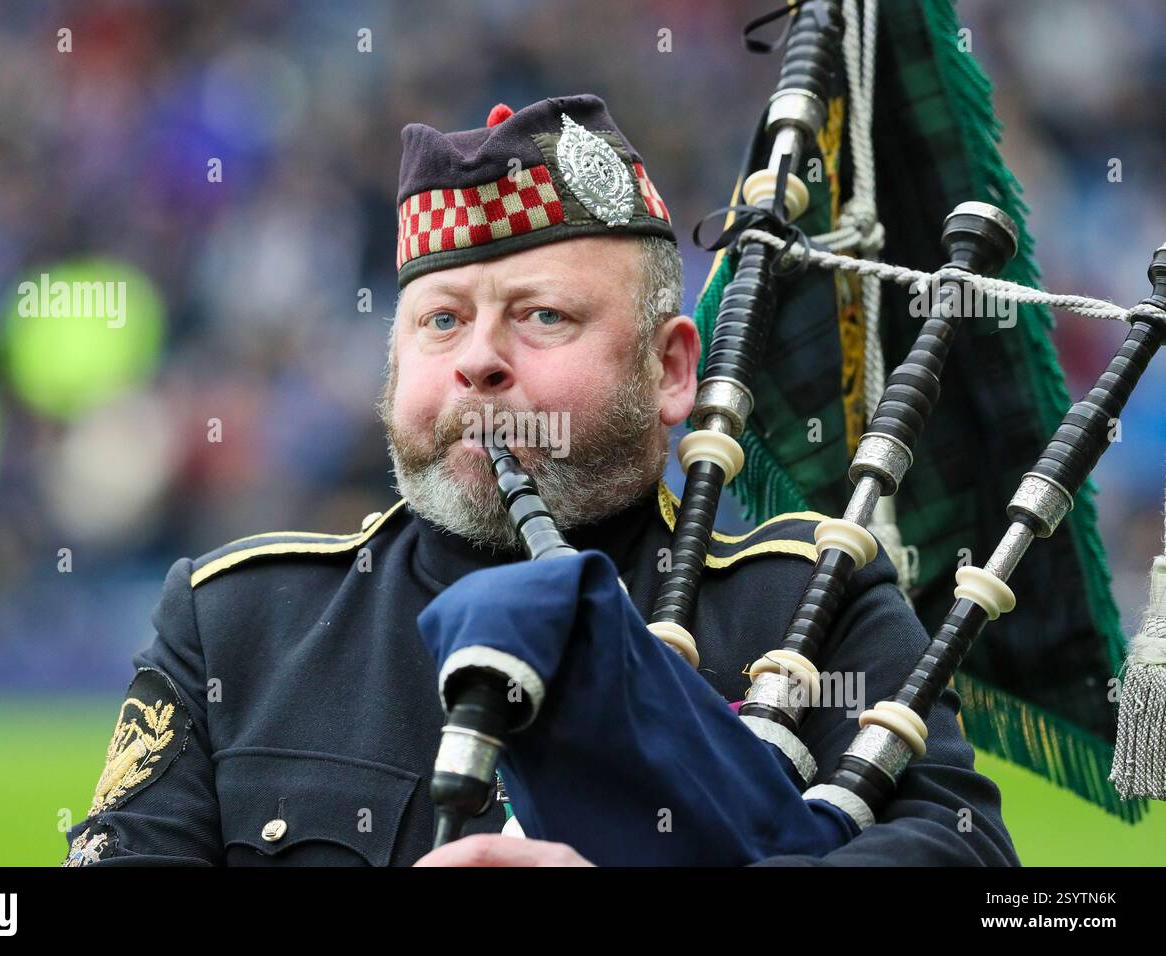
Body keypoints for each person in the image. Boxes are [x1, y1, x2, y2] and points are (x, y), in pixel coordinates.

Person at [62, 94, 1020, 867]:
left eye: (544, 317)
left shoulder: (808, 602)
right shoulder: (238, 620)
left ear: (673, 371)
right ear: (392, 367)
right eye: (440, 321)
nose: (479, 362)